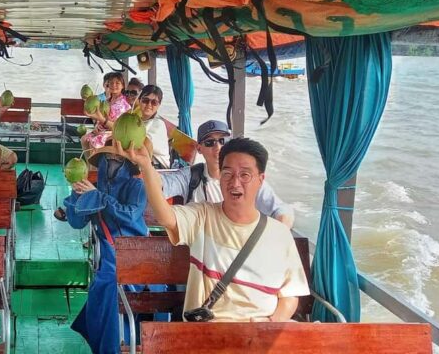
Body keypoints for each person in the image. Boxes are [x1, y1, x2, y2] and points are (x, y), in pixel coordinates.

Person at [120, 137, 309, 322]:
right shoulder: (203, 216)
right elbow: (166, 217)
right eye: (227, 174)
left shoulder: (280, 234)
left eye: (244, 175)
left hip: (260, 333)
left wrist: (271, 324)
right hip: (209, 332)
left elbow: (290, 295)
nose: (235, 183)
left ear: (261, 180)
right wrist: (145, 166)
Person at [64, 141, 151, 353]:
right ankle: (107, 347)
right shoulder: (94, 187)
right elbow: (77, 223)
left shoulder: (137, 186)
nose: (113, 163)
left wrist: (99, 197)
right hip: (110, 256)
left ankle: (109, 347)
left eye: (119, 160)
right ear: (101, 162)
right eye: (108, 159)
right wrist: (76, 196)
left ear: (128, 165)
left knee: (110, 286)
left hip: (139, 255)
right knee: (107, 286)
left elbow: (130, 215)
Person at [160, 120, 295, 228]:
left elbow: (281, 210)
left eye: (222, 141)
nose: (218, 147)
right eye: (209, 142)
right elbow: (161, 185)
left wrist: (279, 234)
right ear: (199, 148)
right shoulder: (190, 177)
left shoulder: (247, 180)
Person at [82, 72, 131, 152]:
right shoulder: (107, 101)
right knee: (84, 139)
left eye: (117, 83)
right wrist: (96, 127)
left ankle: (94, 164)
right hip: (103, 131)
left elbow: (117, 127)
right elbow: (99, 118)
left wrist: (101, 121)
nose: (114, 85)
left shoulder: (123, 104)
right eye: (111, 83)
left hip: (114, 133)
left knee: (94, 141)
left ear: (122, 86)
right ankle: (89, 164)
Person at [138, 85, 171, 169]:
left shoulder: (159, 124)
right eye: (145, 100)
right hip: (142, 162)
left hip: (159, 169)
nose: (149, 105)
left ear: (159, 105)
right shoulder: (138, 120)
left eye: (154, 102)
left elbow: (145, 144)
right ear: (139, 101)